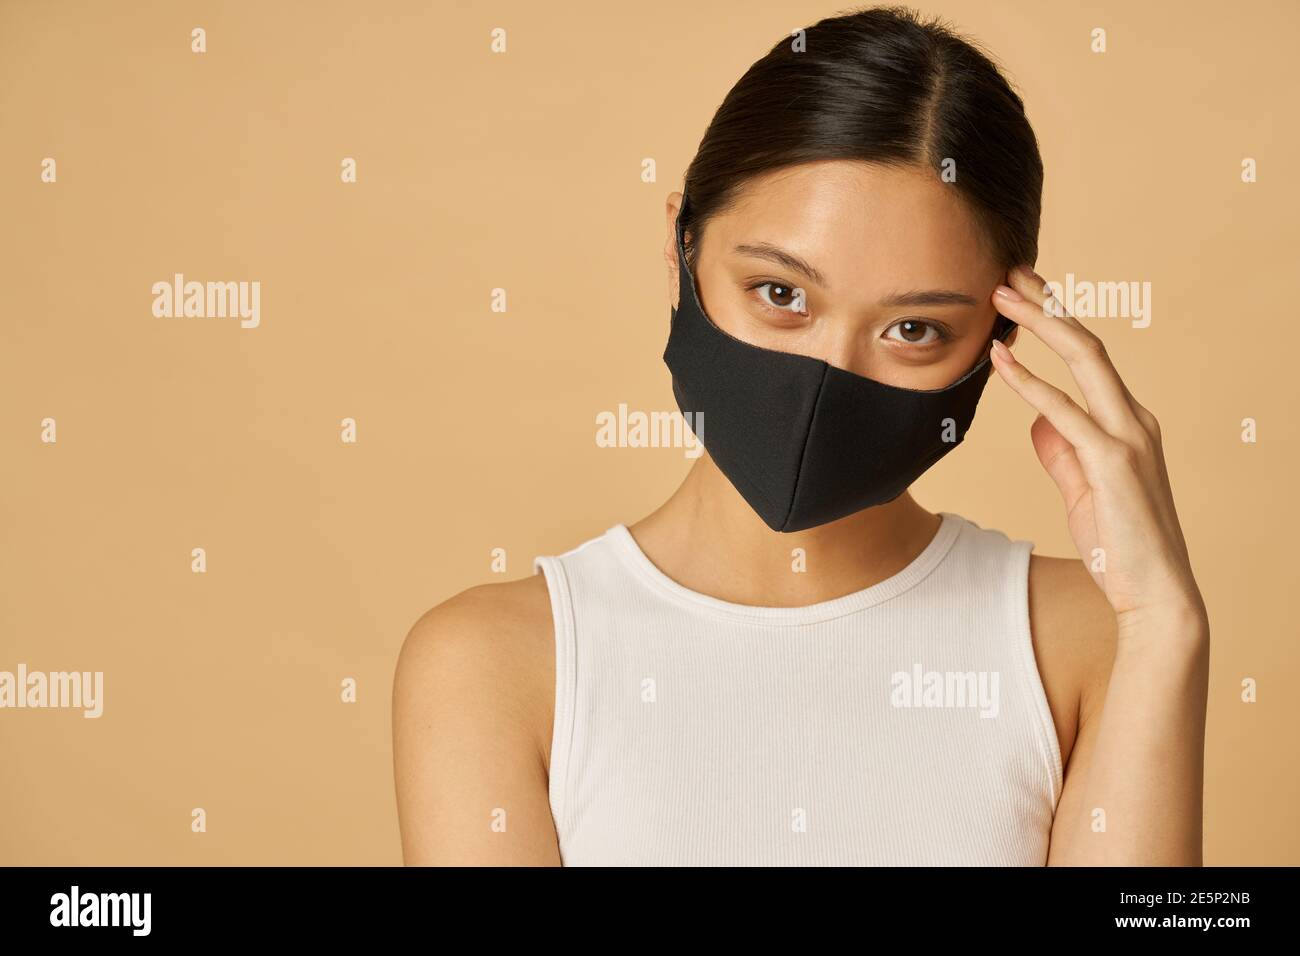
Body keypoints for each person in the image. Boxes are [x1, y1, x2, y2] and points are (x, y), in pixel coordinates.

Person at [392, 5, 1209, 866]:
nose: (827, 376)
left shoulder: (1084, 641)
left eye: (914, 329)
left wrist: (1164, 623)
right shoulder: (496, 663)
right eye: (782, 294)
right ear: (681, 248)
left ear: (998, 342)